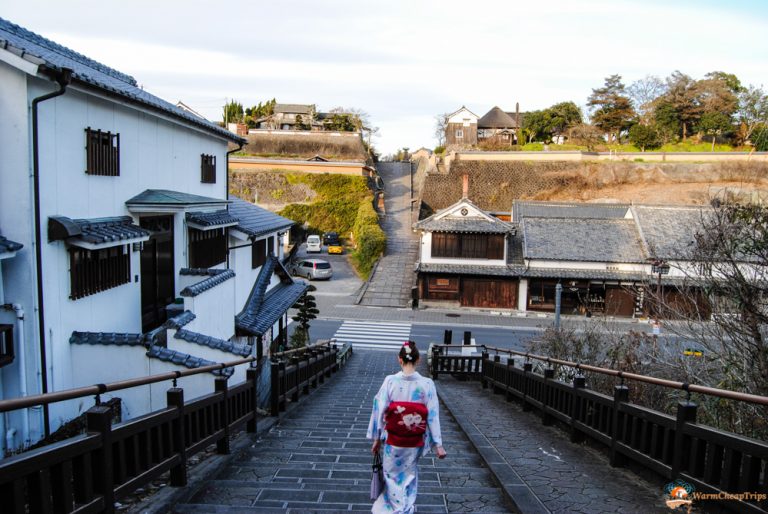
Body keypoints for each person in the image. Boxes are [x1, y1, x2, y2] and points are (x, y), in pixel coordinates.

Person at [367, 341, 447, 513]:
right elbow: (433, 415)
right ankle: (405, 508)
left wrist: (376, 438)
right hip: (414, 442)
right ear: (418, 360)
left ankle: (394, 507)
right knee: (409, 476)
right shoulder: (427, 384)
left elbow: (378, 409)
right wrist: (437, 444)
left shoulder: (390, 381)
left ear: (399, 359)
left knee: (391, 476)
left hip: (393, 441)